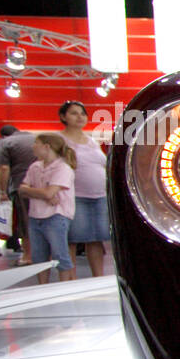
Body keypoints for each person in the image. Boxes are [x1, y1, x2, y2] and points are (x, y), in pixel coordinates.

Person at [18, 133, 77, 284]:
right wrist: (43, 194)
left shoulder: (63, 168)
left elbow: (48, 192)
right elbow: (22, 189)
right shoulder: (35, 167)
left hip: (56, 215)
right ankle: (42, 287)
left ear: (46, 147)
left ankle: (64, 286)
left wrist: (40, 192)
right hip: (35, 215)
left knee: (60, 254)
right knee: (38, 256)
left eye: (36, 143)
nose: (33, 147)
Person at [59, 100, 108, 276]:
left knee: (96, 239)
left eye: (82, 113)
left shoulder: (91, 141)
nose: (79, 117)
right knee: (72, 238)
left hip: (99, 196)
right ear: (63, 117)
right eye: (74, 113)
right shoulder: (60, 141)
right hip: (74, 196)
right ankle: (70, 279)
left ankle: (98, 278)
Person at [0, 124, 37, 262]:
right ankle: (45, 255)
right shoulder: (36, 138)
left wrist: (2, 191)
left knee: (25, 221)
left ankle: (28, 256)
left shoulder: (5, 143)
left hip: (21, 185)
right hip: (45, 186)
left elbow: (3, 168)